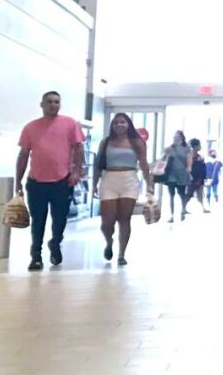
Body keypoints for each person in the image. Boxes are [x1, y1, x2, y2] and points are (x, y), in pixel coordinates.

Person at [14, 90, 85, 271]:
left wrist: (76, 172)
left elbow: (78, 149)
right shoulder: (30, 127)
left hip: (62, 181)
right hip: (36, 181)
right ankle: (36, 255)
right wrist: (18, 181)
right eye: (50, 102)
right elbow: (23, 155)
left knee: (60, 219)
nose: (53, 105)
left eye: (56, 102)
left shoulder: (70, 124)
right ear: (42, 104)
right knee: (38, 220)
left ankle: (55, 243)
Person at [92, 112, 152, 266]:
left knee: (125, 218)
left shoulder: (137, 142)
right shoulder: (106, 142)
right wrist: (94, 183)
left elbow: (144, 164)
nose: (119, 125)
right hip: (109, 179)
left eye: (122, 122)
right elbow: (98, 163)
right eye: (116, 122)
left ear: (128, 124)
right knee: (107, 221)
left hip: (129, 179)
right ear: (112, 126)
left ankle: (121, 254)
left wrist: (149, 184)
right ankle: (109, 241)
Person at [159, 131, 192, 221]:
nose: (175, 138)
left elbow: (189, 158)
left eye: (177, 136)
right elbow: (163, 157)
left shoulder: (186, 148)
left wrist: (189, 167)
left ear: (181, 138)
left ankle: (183, 210)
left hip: (182, 173)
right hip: (171, 174)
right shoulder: (170, 147)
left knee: (181, 194)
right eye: (174, 136)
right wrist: (166, 152)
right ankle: (171, 215)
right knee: (171, 194)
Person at [188, 139, 208, 212]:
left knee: (200, 194)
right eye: (199, 145)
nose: (200, 147)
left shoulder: (200, 156)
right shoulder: (191, 156)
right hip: (193, 178)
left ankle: (203, 208)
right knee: (189, 194)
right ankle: (183, 208)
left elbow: (202, 168)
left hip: (199, 178)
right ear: (195, 146)